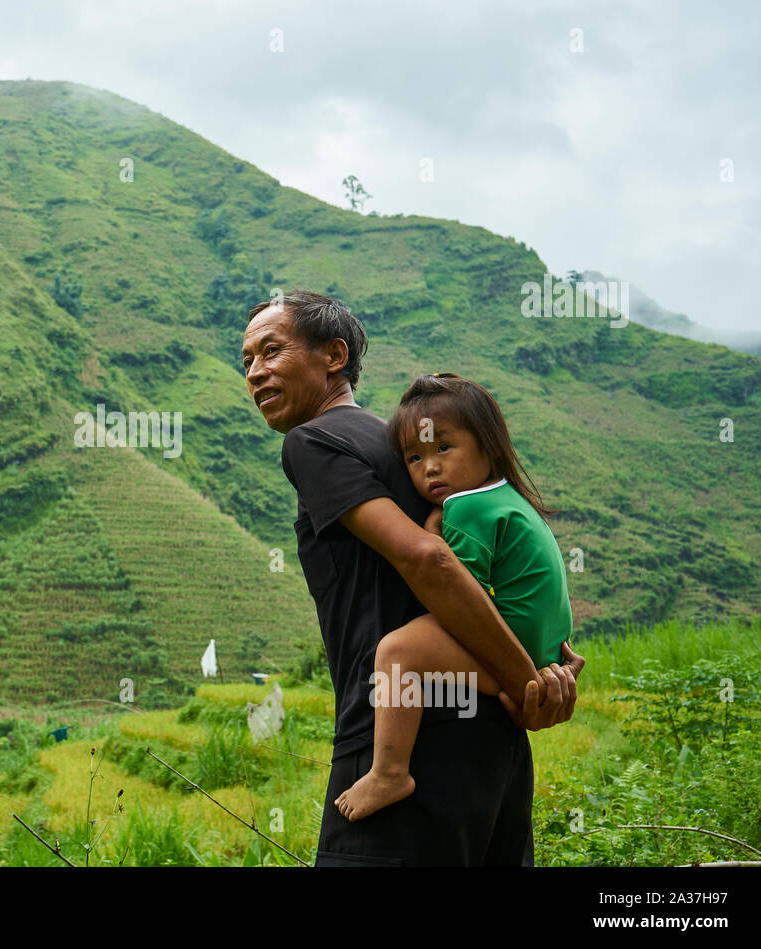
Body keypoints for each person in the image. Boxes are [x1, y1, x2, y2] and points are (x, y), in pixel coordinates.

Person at [242, 290, 582, 866]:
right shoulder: (410, 448)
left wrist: (525, 685)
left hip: (403, 743)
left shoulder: (314, 441)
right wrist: (527, 683)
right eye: (247, 360)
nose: (255, 372)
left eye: (271, 351)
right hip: (493, 749)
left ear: (333, 355)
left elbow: (429, 560)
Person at [336, 373, 577, 822]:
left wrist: (429, 536)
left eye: (443, 448)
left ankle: (389, 772)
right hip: (543, 650)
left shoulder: (465, 508)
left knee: (397, 652)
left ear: (487, 445)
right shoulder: (507, 500)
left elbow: (457, 596)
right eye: (414, 456)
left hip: (509, 643)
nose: (429, 467)